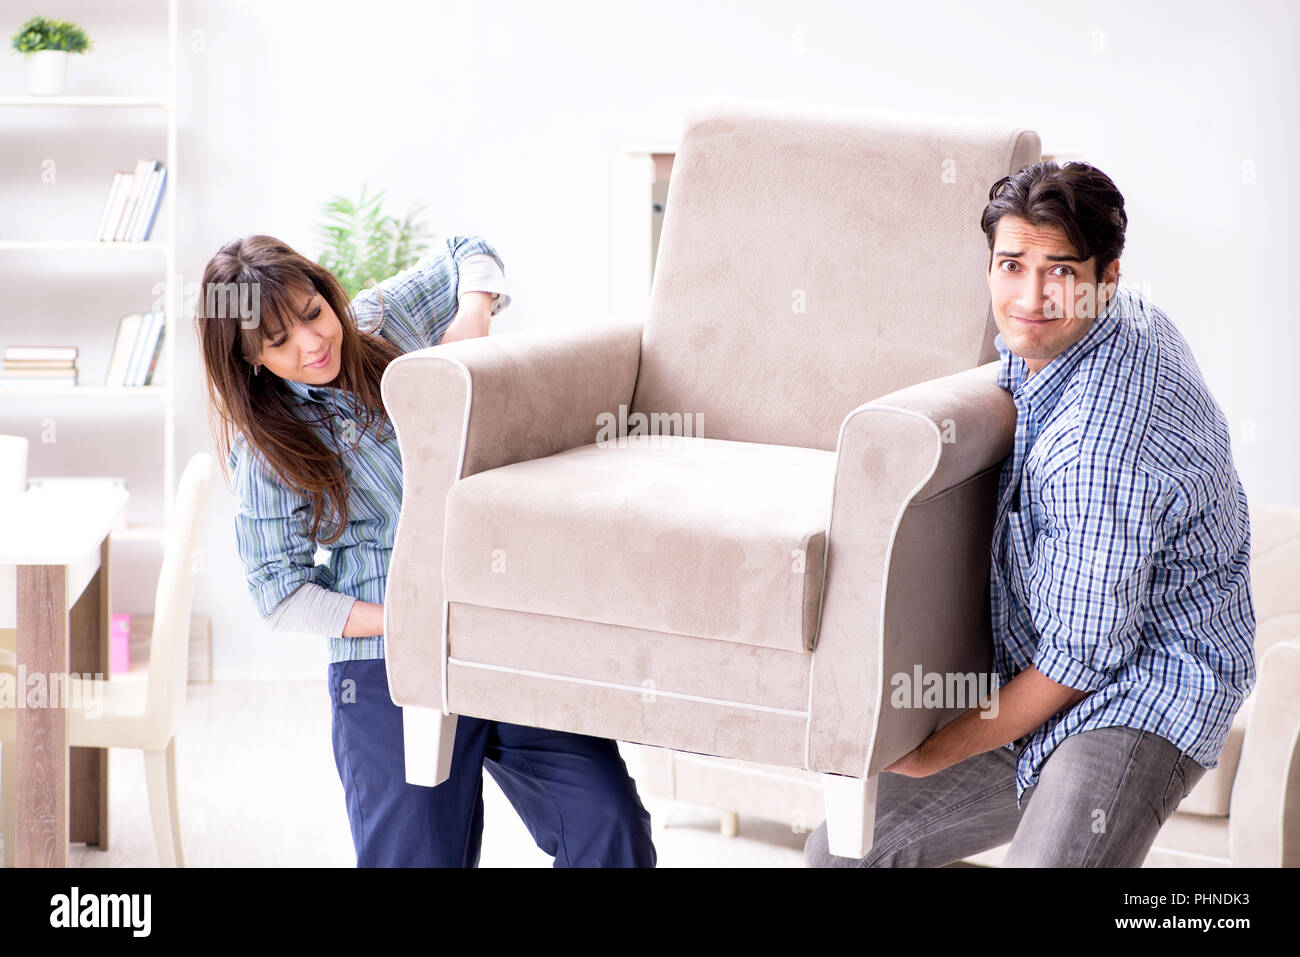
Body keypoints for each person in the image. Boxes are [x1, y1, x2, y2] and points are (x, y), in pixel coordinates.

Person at [804, 162, 1256, 867]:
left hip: (1142, 686)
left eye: (1061, 271)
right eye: (1012, 265)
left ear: (1107, 278)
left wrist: (938, 749)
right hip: (1043, 663)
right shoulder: (1071, 331)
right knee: (845, 853)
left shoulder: (1100, 446)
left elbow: (1081, 659)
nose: (1031, 297)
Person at [196, 233, 657, 867]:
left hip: (501, 636)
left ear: (327, 295)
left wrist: (474, 317)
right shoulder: (267, 451)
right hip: (386, 665)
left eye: (312, 313)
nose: (312, 342)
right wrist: (406, 620)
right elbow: (279, 594)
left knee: (611, 828)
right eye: (278, 342)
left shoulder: (385, 323)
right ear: (250, 358)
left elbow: (472, 249)